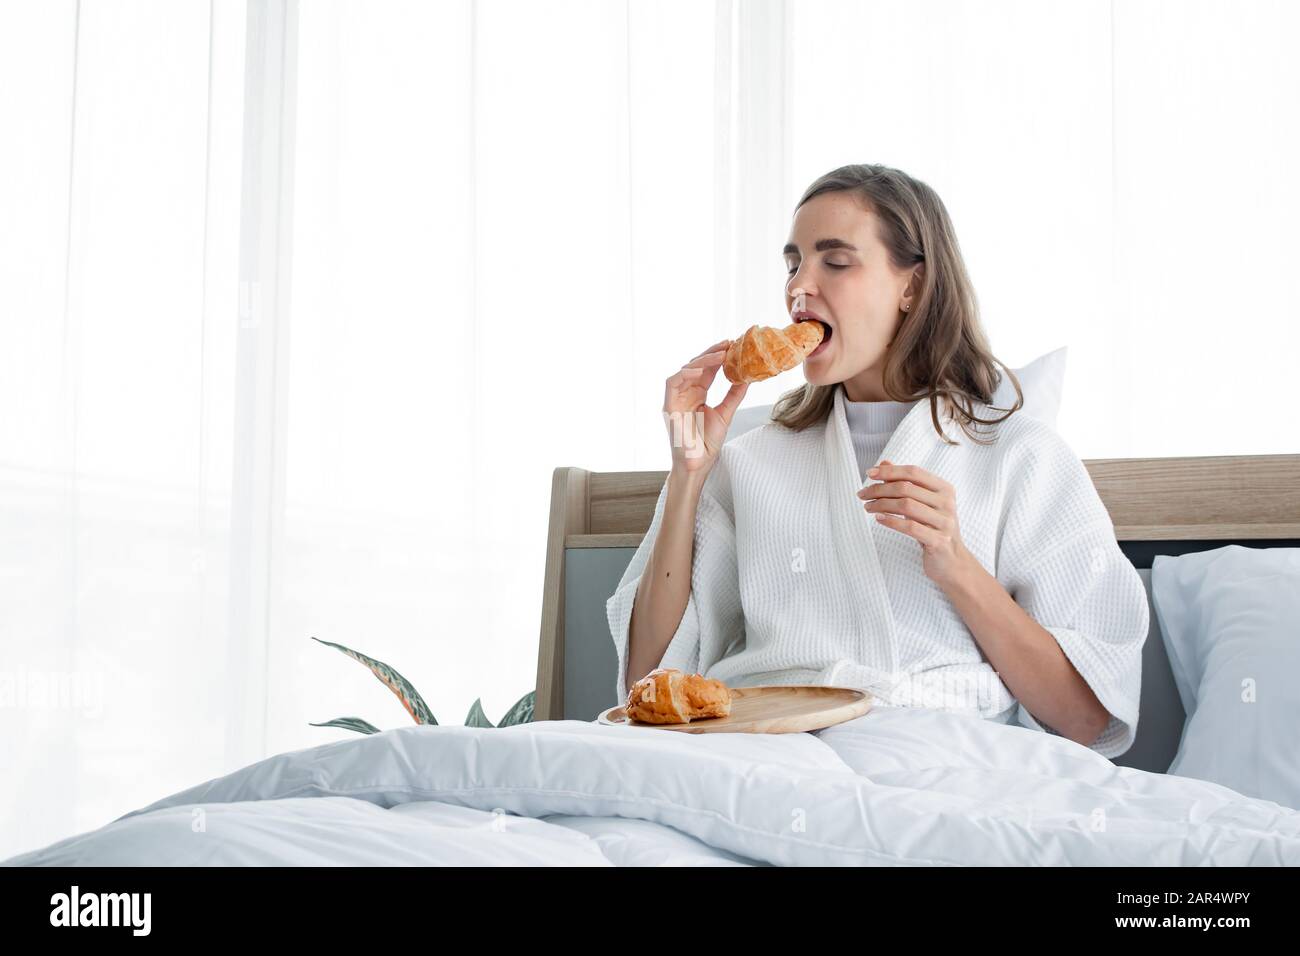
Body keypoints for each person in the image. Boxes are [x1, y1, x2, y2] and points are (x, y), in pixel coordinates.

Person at [606, 163, 1148, 758]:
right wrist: (687, 475)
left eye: (834, 262)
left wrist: (955, 564)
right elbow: (648, 680)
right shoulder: (746, 464)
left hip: (946, 758)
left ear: (911, 286)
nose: (798, 288)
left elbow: (1088, 719)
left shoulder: (1022, 456)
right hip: (767, 756)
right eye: (793, 264)